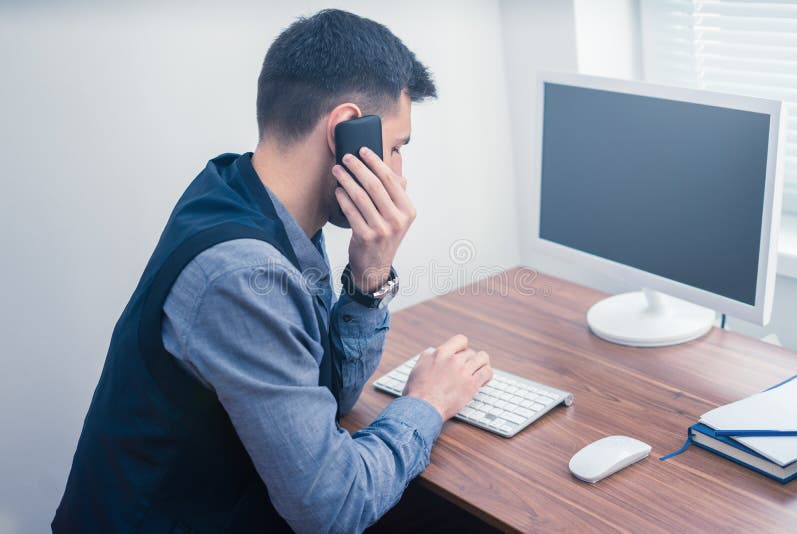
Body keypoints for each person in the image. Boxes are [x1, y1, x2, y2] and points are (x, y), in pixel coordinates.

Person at [53, 8, 493, 533]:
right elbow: (334, 507)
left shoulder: (245, 194)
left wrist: (370, 274)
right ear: (346, 131)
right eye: (396, 148)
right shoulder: (242, 275)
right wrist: (427, 402)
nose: (399, 173)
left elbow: (328, 396)